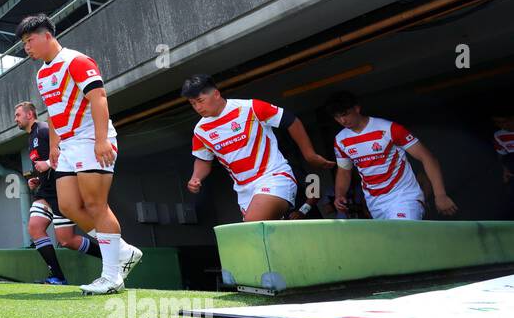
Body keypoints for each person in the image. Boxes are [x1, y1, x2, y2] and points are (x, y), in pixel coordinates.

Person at [16, 13, 143, 295]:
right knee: (69, 206)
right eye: (24, 43)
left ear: (47, 35)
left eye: (30, 40)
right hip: (69, 146)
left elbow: (98, 98)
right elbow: (55, 112)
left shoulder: (76, 60)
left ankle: (112, 277)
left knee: (96, 205)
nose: (27, 47)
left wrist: (100, 141)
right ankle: (122, 251)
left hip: (91, 139)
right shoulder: (41, 74)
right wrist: (54, 149)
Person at [181, 73, 334, 223]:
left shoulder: (251, 107)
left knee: (252, 225)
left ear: (216, 94)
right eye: (193, 104)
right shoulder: (200, 130)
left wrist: (309, 155)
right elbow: (203, 159)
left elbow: (290, 120)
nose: (198, 107)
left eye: (200, 101)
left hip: (273, 177)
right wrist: (196, 177)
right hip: (244, 191)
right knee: (260, 241)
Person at [327, 91, 456, 220]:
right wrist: (340, 194)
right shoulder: (340, 140)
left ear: (357, 108)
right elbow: (344, 171)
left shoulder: (389, 128)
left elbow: (427, 157)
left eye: (345, 114)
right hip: (375, 204)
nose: (342, 120)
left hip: (404, 197)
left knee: (402, 235)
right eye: (337, 117)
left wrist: (440, 195)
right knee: (399, 240)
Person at [12, 100, 97, 285]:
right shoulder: (30, 137)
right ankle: (57, 276)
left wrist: (48, 164)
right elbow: (44, 162)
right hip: (45, 192)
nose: (15, 119)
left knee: (67, 241)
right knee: (35, 228)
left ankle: (110, 260)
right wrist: (36, 178)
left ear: (29, 114)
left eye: (18, 115)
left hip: (60, 190)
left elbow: (65, 150)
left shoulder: (43, 130)